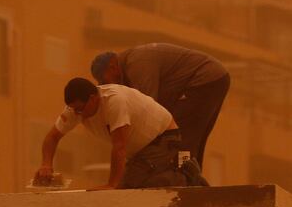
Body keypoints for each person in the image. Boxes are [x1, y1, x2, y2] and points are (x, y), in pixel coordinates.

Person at [91, 43, 229, 172]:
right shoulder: (131, 66)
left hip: (203, 79)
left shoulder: (137, 65)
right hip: (214, 77)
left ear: (112, 67)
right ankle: (191, 177)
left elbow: (148, 108)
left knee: (182, 135)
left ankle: (184, 177)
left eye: (104, 81)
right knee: (192, 137)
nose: (108, 85)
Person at [33, 77, 187, 190]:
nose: (78, 114)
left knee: (128, 186)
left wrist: (111, 185)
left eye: (80, 109)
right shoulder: (75, 110)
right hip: (140, 150)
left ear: (93, 99)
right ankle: (176, 175)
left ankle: (185, 177)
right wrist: (46, 165)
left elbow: (119, 146)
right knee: (135, 182)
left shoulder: (114, 101)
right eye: (74, 110)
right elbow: (52, 137)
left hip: (164, 138)